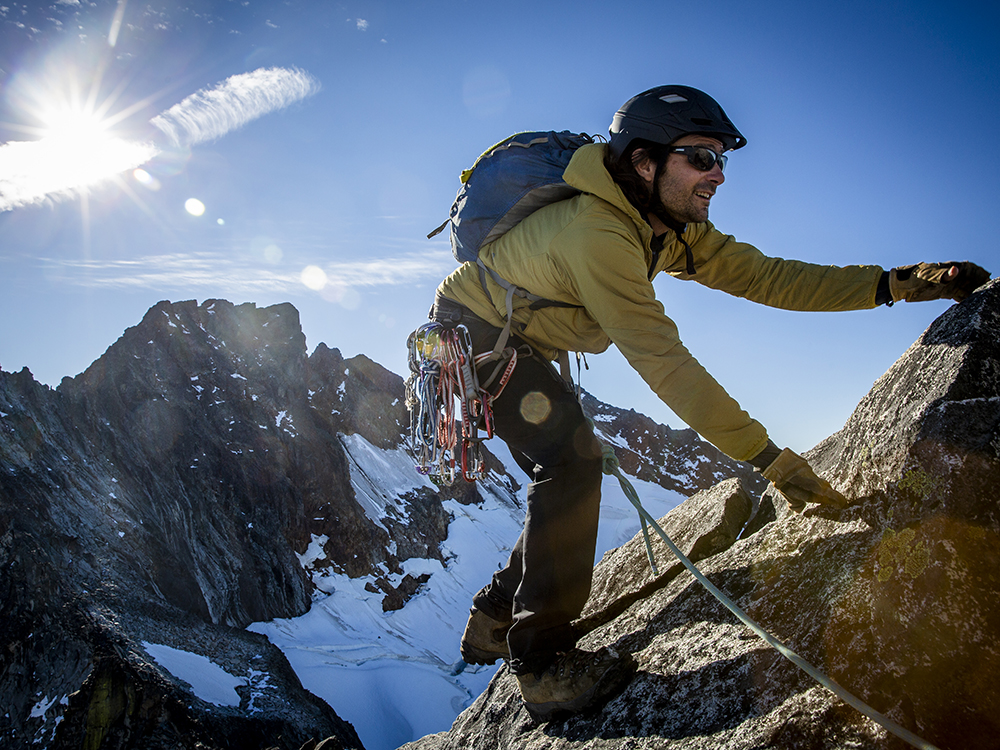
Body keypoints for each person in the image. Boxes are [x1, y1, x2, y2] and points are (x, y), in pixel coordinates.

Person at [423, 85, 990, 721]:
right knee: (571, 464)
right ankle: (542, 667)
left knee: (568, 463)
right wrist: (770, 458)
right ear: (644, 163)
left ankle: (497, 614)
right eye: (699, 157)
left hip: (515, 337)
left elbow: (769, 276)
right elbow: (667, 364)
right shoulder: (598, 232)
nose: (717, 174)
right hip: (475, 337)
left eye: (720, 159)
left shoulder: (666, 228)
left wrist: (895, 284)